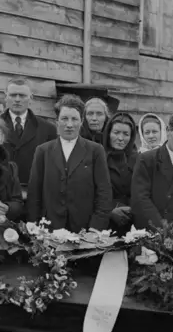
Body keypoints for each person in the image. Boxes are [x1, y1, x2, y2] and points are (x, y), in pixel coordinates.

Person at [25, 96, 112, 232]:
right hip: (50, 229)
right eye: (65, 119)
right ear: (57, 121)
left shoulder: (95, 151)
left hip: (84, 230)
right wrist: (34, 226)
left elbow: (104, 193)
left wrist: (95, 227)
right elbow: (34, 193)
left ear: (82, 121)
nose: (69, 125)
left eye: (74, 119)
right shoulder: (43, 151)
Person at [1, 78, 57, 185]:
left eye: (22, 95)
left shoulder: (47, 129)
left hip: (34, 190)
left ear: (31, 98)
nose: (17, 99)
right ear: (6, 97)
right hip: (1, 190)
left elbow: (52, 166)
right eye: (13, 95)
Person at [102, 112, 139, 233]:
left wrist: (133, 209)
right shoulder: (98, 157)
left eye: (126, 134)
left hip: (133, 224)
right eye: (116, 133)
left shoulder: (139, 160)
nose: (121, 138)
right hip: (104, 223)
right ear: (108, 134)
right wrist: (110, 211)